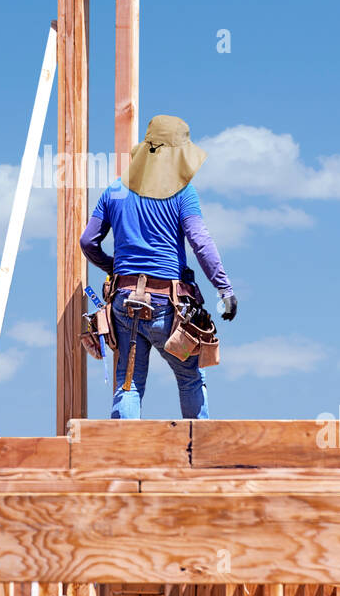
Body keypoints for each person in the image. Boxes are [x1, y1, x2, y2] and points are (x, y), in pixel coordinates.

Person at [79, 115, 237, 420]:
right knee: (190, 377)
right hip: (168, 304)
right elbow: (200, 242)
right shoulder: (182, 193)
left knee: (128, 383)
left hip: (124, 304)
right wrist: (224, 288)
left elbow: (88, 242)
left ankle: (124, 461)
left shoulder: (115, 191)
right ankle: (198, 457)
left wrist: (115, 268)